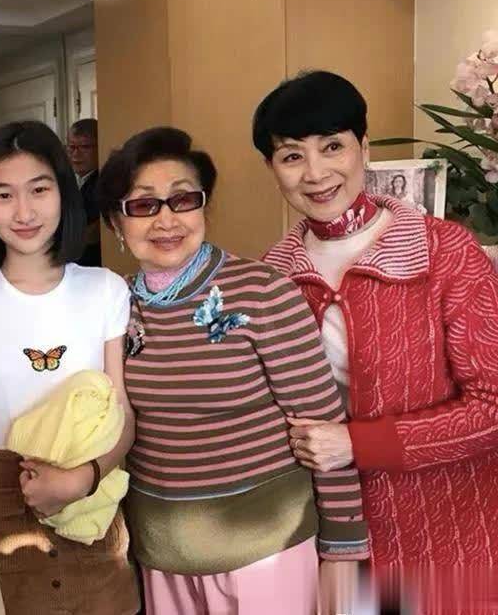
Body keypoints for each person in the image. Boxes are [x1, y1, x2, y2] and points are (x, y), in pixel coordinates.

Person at [96, 127, 368, 615]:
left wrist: (343, 549)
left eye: (184, 199)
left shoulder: (263, 293)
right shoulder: (112, 306)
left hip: (269, 550)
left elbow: (324, 430)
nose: (166, 220)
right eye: (143, 205)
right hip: (162, 554)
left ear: (204, 207)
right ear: (117, 222)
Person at [256, 71, 498, 608]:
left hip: (448, 533)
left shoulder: (446, 253)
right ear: (272, 169)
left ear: (363, 148)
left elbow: (493, 406)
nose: (315, 173)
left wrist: (357, 444)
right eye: (292, 155)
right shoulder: (270, 277)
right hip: (331, 538)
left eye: (332, 147)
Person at [0, 121, 139, 614]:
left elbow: (122, 416)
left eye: (39, 190)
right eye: (3, 195)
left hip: (88, 502)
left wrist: (83, 479)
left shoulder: (105, 290)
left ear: (64, 194)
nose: (23, 212)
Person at [67, 118, 101, 266]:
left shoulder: (102, 181)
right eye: (72, 147)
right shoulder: (70, 180)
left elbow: (96, 232)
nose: (76, 153)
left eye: (85, 147)